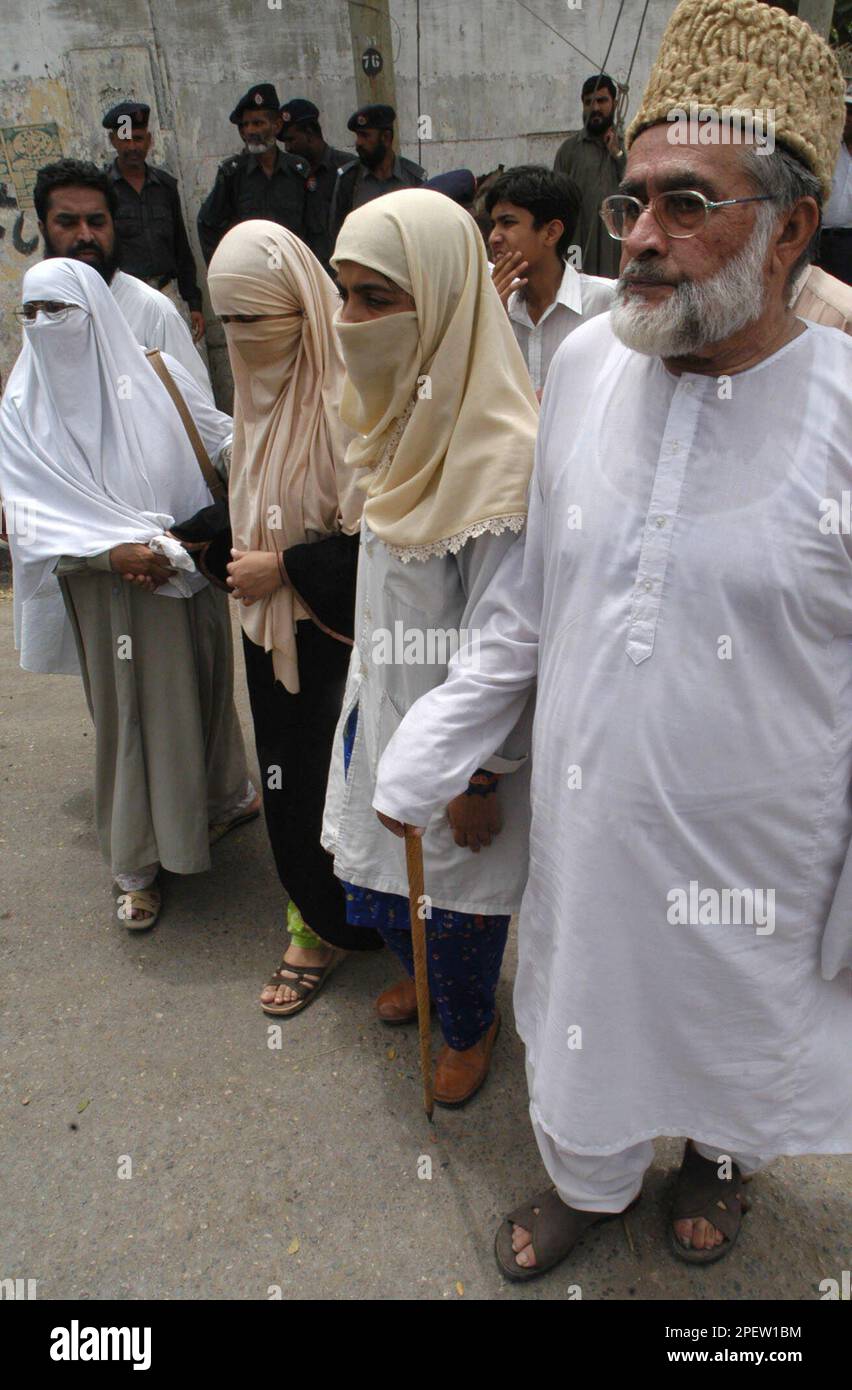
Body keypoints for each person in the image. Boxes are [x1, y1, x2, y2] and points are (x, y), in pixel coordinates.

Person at [373, 0, 852, 1278]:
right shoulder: (585, 370)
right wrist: (442, 737)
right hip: (592, 820)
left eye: (686, 204)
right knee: (586, 1011)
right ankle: (586, 1180)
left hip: (766, 840)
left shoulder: (847, 413)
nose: (635, 238)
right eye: (631, 201)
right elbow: (529, 600)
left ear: (793, 226)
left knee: (739, 1016)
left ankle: (718, 1160)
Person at [322, 188, 538, 1105]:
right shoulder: (386, 419)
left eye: (379, 299)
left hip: (460, 759)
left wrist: (481, 775)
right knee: (382, 889)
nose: (351, 322)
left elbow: (511, 641)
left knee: (457, 910)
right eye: (345, 294)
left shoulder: (501, 454)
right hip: (379, 702)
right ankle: (423, 980)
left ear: (443, 303)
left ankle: (471, 1022)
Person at [0, 258, 257, 930]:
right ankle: (139, 863)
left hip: (183, 576)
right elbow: (26, 513)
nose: (44, 326)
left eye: (60, 310)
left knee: (198, 696)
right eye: (31, 313)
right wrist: (111, 553)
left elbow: (223, 440)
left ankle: (219, 803)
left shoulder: (153, 374)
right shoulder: (24, 406)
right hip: (107, 592)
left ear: (96, 311)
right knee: (133, 721)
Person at [205, 220, 383, 1014]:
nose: (246, 341)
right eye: (230, 323)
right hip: (268, 634)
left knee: (346, 782)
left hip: (339, 637)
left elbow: (384, 544)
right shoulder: (249, 399)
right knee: (287, 786)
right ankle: (308, 922)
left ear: (302, 311)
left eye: (260, 321)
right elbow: (251, 504)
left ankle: (378, 928)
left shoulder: (354, 396)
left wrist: (285, 568)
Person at [34, 159, 211, 396]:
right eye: (68, 223)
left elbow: (198, 416)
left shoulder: (154, 312)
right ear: (43, 229)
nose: (86, 235)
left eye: (97, 222)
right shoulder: (41, 315)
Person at [486, 165, 614, 394]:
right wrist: (490, 318)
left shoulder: (605, 303)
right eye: (493, 224)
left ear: (551, 232)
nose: (494, 237)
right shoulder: (492, 304)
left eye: (508, 223)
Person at [102, 100, 205, 342]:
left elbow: (181, 246)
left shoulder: (166, 186)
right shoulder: (101, 188)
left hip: (167, 293)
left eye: (138, 139)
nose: (132, 147)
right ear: (113, 141)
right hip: (123, 301)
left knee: (175, 372)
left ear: (149, 140)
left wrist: (194, 303)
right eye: (125, 139)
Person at [197, 84, 308, 265]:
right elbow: (208, 224)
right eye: (245, 125)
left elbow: (313, 227)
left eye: (258, 123)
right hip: (253, 274)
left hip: (293, 269)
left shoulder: (298, 171)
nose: (250, 131)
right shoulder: (232, 173)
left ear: (277, 125)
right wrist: (224, 271)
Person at [553, 73, 625, 277]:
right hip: (577, 246)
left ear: (615, 103)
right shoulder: (569, 150)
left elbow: (641, 193)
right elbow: (556, 203)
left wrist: (618, 155)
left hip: (617, 248)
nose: (595, 108)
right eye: (588, 102)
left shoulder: (629, 145)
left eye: (602, 101)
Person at [328, 105, 426, 246]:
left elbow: (422, 232)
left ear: (386, 138)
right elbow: (337, 235)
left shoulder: (414, 179)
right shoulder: (349, 178)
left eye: (365, 136)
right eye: (357, 136)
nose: (358, 143)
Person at [279, 98, 350, 273]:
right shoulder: (290, 174)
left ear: (310, 134)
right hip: (305, 273)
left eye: (291, 140)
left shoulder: (347, 169)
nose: (287, 148)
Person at [816, 80, 852, 286]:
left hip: (846, 244)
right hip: (817, 239)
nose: (846, 119)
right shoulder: (827, 151)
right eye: (845, 110)